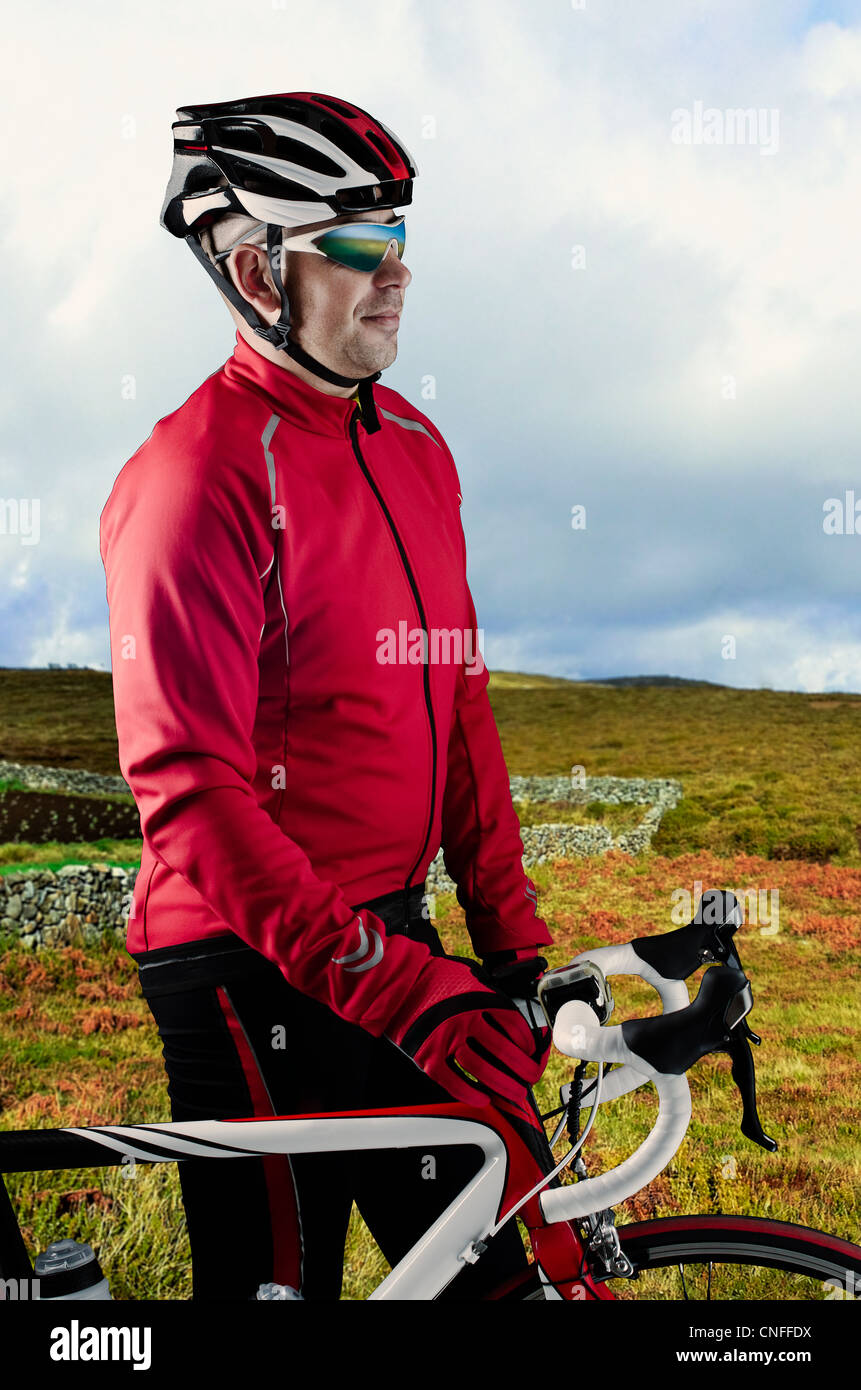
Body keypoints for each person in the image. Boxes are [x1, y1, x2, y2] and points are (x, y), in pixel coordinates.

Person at [99, 91, 555, 1301]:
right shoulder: (194, 477)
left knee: (480, 1274)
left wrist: (510, 949)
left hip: (383, 938)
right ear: (256, 267)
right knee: (272, 1294)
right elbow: (189, 795)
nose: (395, 277)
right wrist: (402, 984)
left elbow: (456, 699)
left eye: (401, 242)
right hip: (243, 963)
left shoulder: (411, 440)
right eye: (357, 247)